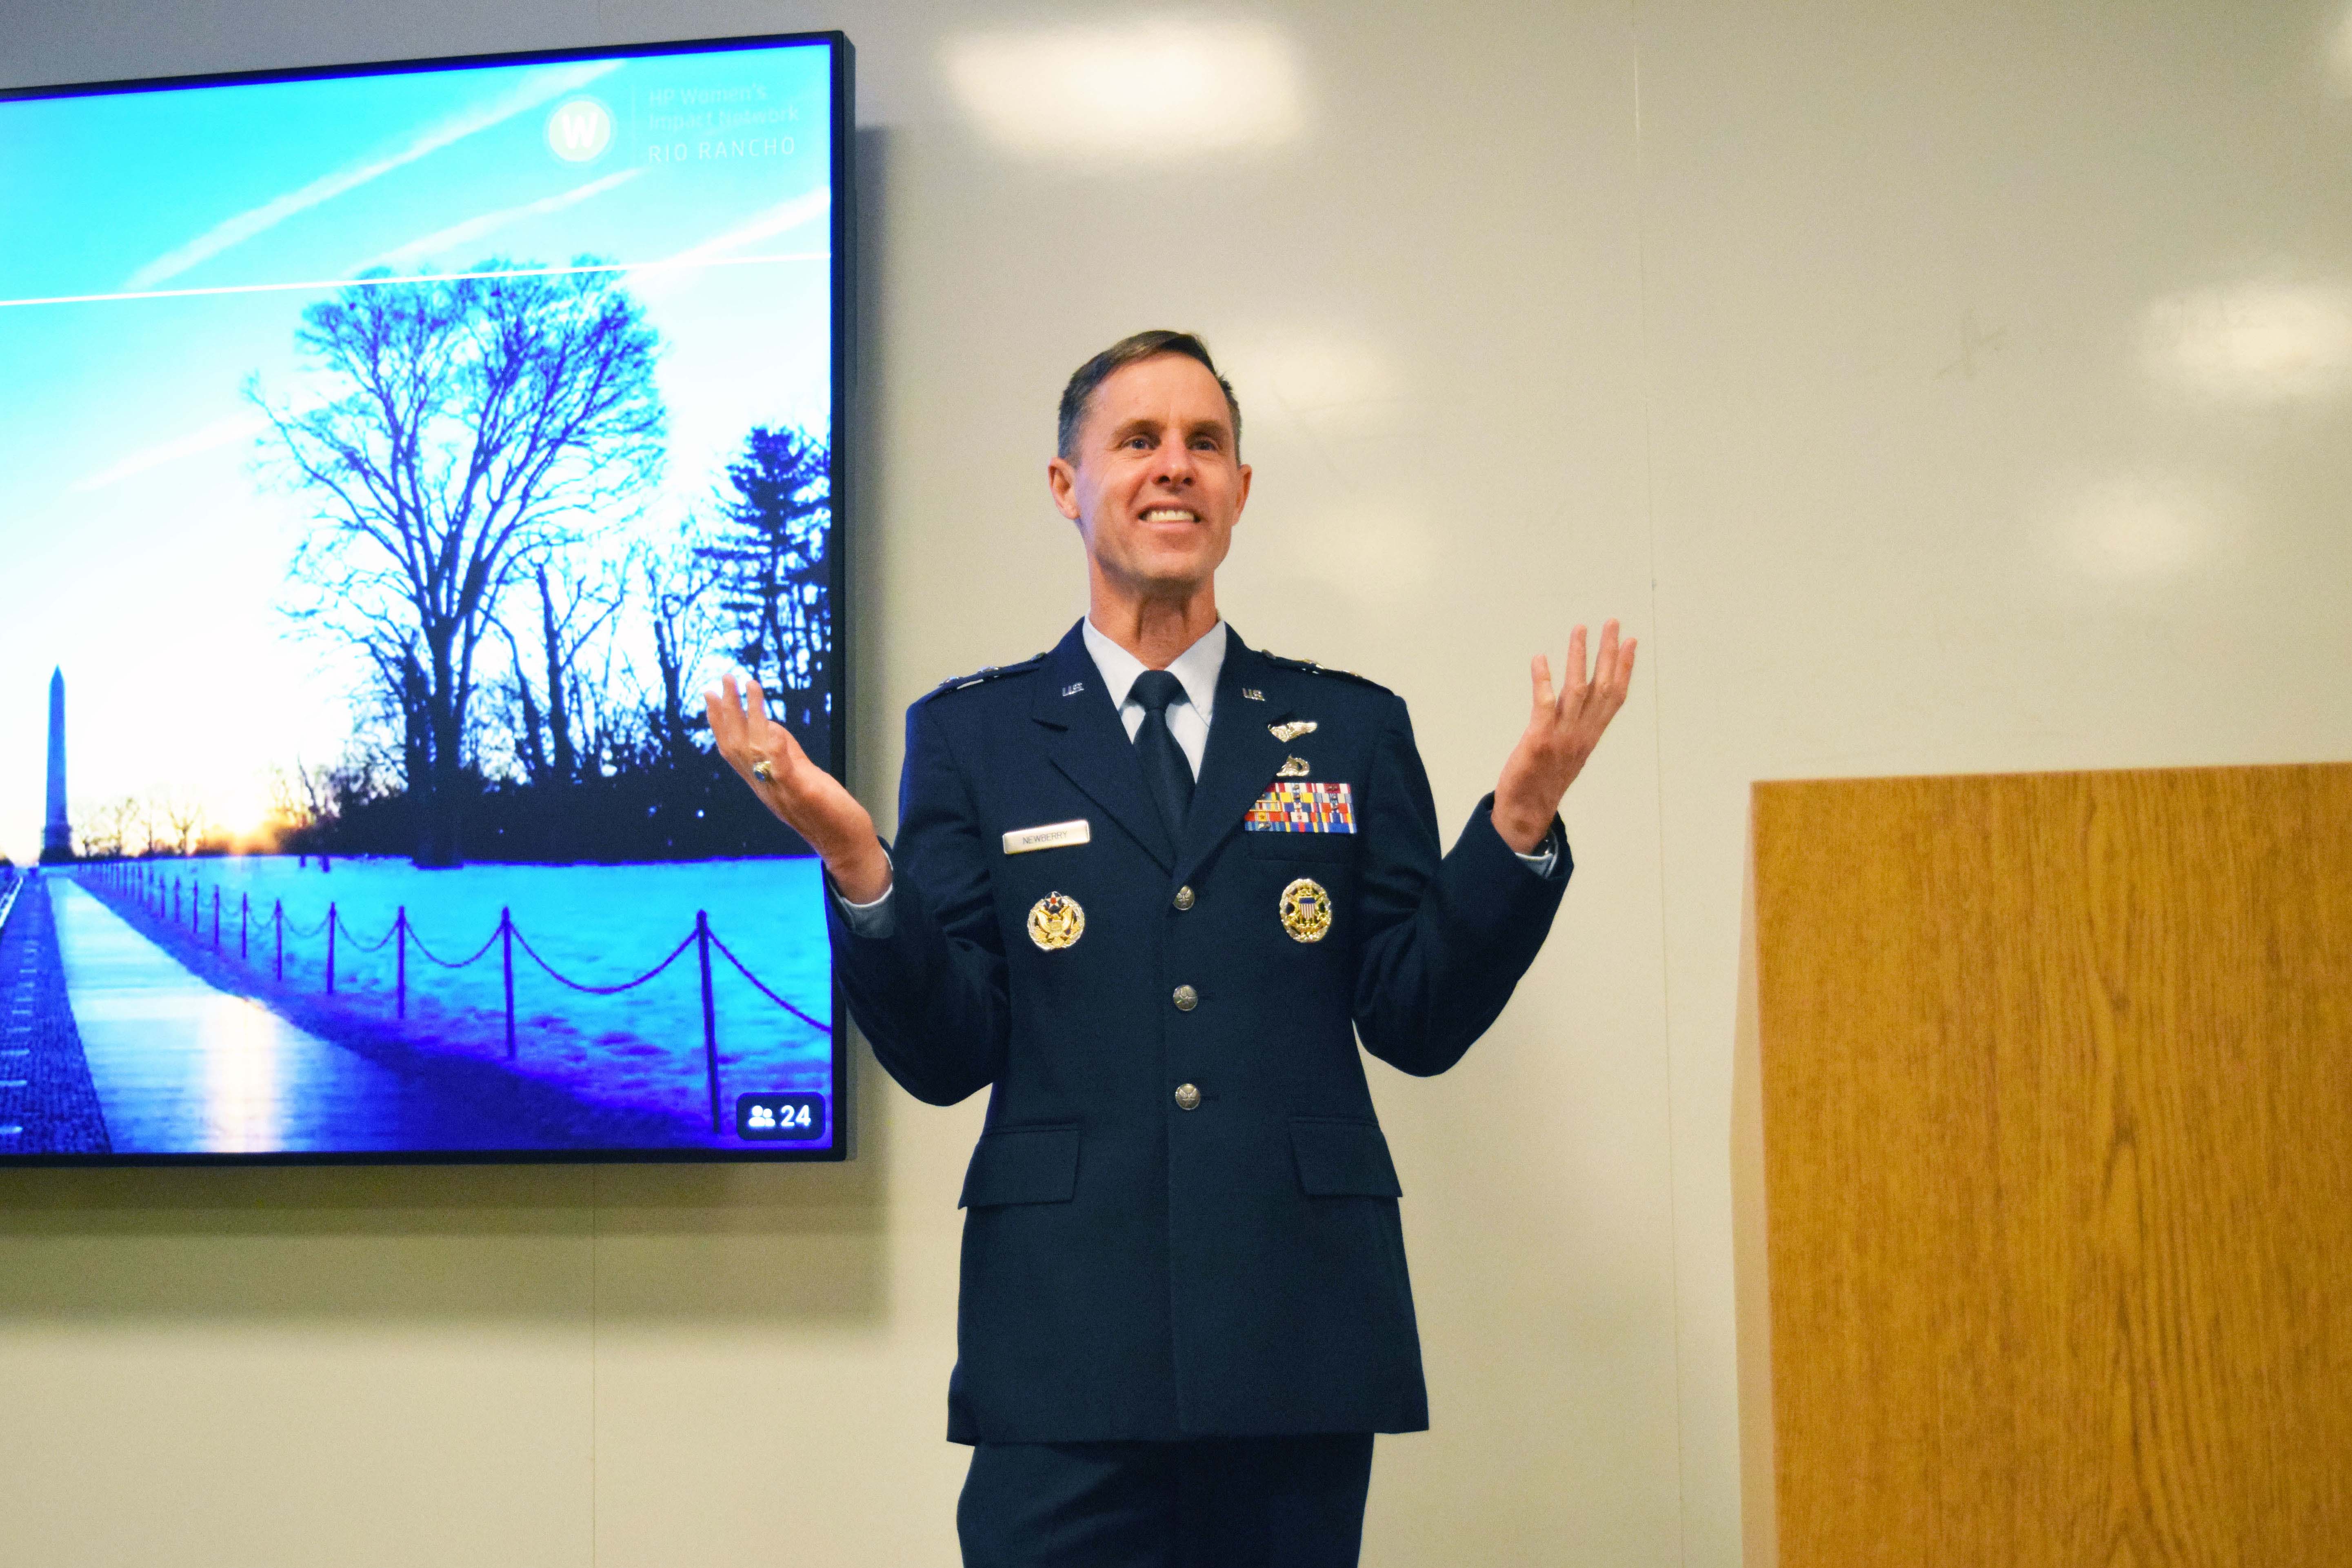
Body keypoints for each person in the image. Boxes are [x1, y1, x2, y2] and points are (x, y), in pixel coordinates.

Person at [706, 330, 1636, 1566]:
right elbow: (947, 1050)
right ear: (1065, 484)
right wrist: (858, 865)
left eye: (1205, 443)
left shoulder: (1351, 730)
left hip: (1293, 1332)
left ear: (1242, 491)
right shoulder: (975, 735)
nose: (1173, 467)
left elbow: (1414, 1017)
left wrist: (1514, 826)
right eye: (1136, 440)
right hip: (1060, 1342)